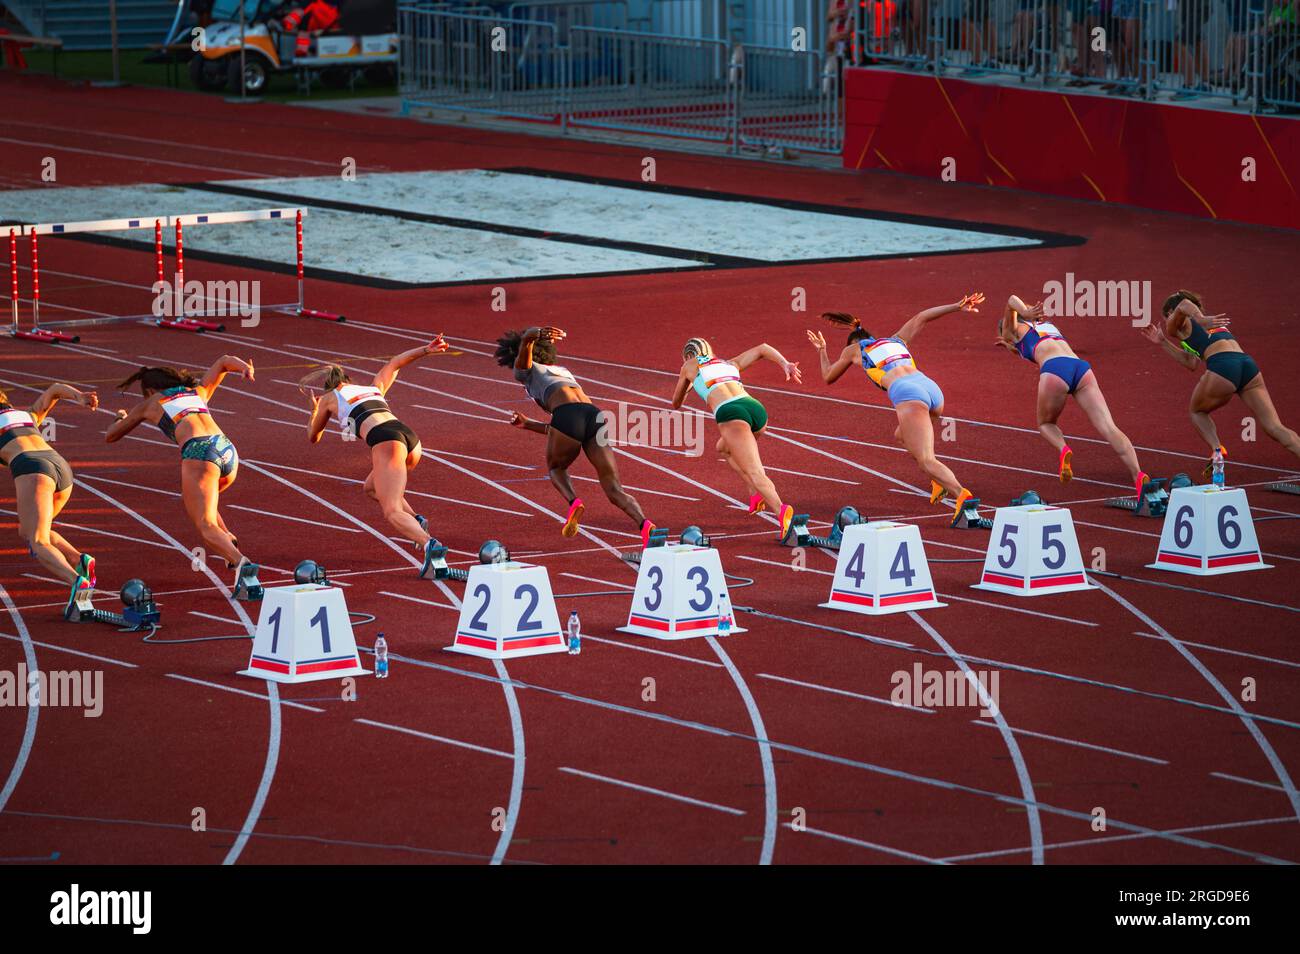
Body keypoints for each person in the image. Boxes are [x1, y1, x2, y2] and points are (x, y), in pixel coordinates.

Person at [808, 294, 985, 527]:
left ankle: (961, 496)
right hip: (931, 389)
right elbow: (922, 317)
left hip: (907, 393)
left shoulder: (854, 350)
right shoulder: (897, 340)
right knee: (901, 436)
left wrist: (822, 350)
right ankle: (938, 480)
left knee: (926, 459)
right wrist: (957, 306)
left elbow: (828, 376)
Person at [107, 358, 260, 594]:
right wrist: (245, 368)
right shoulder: (196, 391)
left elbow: (111, 436)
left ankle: (241, 563)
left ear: (149, 390)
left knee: (204, 524)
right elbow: (221, 362)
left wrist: (120, 417)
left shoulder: (151, 402)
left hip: (199, 453)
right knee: (203, 503)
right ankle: (227, 537)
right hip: (227, 450)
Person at [497, 326, 654, 545]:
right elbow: (563, 428)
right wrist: (529, 425)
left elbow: (526, 342)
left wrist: (533, 334)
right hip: (594, 415)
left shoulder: (526, 371)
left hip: (568, 416)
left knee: (556, 468)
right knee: (614, 488)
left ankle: (574, 502)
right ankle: (645, 525)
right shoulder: (562, 371)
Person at [303, 339, 448, 573]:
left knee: (391, 511)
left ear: (329, 387)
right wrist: (425, 350)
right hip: (411, 440)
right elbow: (395, 363)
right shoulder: (372, 388)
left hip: (386, 441)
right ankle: (416, 520)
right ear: (348, 381)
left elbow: (313, 436)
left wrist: (313, 411)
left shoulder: (329, 399)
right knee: (371, 488)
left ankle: (430, 544)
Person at [997, 294, 1149, 496]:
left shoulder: (1011, 329)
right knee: (1109, 427)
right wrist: (1014, 340)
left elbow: (1011, 299)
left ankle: (1064, 450)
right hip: (1080, 368)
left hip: (1054, 369)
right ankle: (1138, 476)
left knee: (1046, 424)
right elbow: (1027, 347)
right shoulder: (1047, 326)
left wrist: (1022, 311)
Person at [1141, 290, 1300, 477]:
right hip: (1247, 366)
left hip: (1223, 365)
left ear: (1170, 312)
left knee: (1197, 411)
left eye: (1167, 316)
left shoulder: (1177, 322)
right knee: (1275, 427)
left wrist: (1199, 318)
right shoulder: (1210, 326)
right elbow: (1191, 363)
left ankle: (1217, 450)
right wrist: (1163, 343)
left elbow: (1183, 304)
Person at [670, 337, 801, 542]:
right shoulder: (729, 363)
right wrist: (785, 364)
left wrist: (690, 382)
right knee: (723, 448)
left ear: (688, 356)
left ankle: (782, 512)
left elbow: (676, 403)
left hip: (731, 413)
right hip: (755, 409)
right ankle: (754, 493)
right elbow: (763, 348)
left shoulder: (689, 365)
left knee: (755, 471)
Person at [0, 383, 100, 618]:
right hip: (60, 466)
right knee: (30, 531)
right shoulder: (25, 415)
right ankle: (79, 560)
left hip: (32, 468)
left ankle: (78, 583)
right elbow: (54, 389)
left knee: (37, 541)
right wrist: (80, 397)